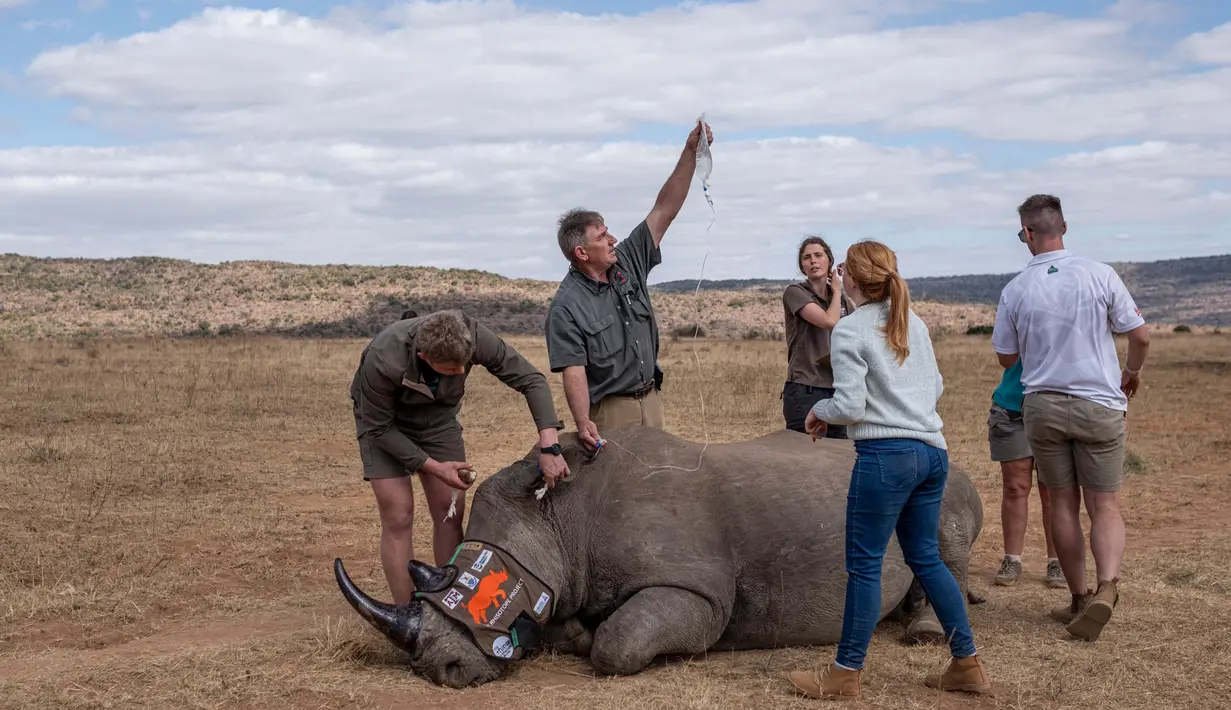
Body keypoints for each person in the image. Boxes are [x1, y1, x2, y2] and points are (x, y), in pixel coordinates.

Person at [786, 240, 992, 701]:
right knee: (926, 557)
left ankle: (844, 674)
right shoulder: (912, 323)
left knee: (863, 566)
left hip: (885, 458)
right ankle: (967, 662)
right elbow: (934, 385)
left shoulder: (851, 329)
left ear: (853, 279)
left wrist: (820, 409)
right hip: (932, 454)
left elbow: (850, 403)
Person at [992, 193, 1150, 642]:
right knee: (1104, 503)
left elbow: (1006, 357)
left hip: (1041, 404)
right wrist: (1131, 372)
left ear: (1027, 233)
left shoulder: (1016, 288)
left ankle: (1079, 597)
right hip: (1099, 402)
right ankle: (1107, 587)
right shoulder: (1099, 274)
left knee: (1061, 501)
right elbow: (1139, 334)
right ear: (1064, 227)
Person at [349, 310, 569, 605]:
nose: (461, 373)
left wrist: (550, 444)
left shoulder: (472, 335)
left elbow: (531, 380)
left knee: (449, 512)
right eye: (451, 371)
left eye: (464, 366)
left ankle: (449, 607)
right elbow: (380, 428)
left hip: (438, 421)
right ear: (425, 357)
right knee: (398, 514)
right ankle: (408, 614)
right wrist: (435, 468)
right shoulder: (384, 356)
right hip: (385, 426)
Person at [545, 119, 714, 450]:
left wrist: (690, 152)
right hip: (611, 412)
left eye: (608, 231)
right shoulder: (566, 307)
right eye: (602, 236)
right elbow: (574, 370)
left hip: (651, 400)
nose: (613, 240)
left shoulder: (628, 261)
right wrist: (583, 423)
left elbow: (665, 209)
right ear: (581, 252)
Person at [989, 359, 1065, 589]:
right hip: (1012, 407)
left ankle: (1058, 562)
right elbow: (1006, 356)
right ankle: (1012, 559)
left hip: (1057, 407)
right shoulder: (1017, 319)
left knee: (1053, 490)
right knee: (1015, 487)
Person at [782, 235, 851, 437]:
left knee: (839, 455)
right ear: (802, 267)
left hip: (837, 387)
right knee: (804, 456)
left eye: (819, 255)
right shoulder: (795, 292)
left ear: (829, 260)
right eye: (807, 257)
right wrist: (838, 291)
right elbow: (828, 321)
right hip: (806, 388)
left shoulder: (838, 299)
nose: (813, 261)